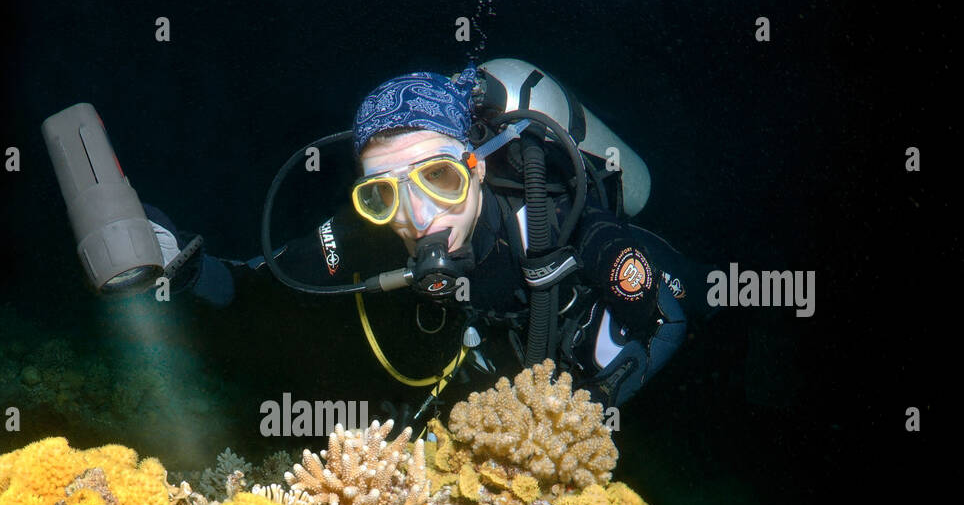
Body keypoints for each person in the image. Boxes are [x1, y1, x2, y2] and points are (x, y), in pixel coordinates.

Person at [145, 61, 719, 416]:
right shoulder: (368, 233)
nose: (416, 218)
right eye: (382, 193)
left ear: (479, 167)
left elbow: (678, 303)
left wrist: (602, 400)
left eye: (438, 178)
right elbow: (265, 281)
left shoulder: (552, 214)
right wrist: (185, 263)